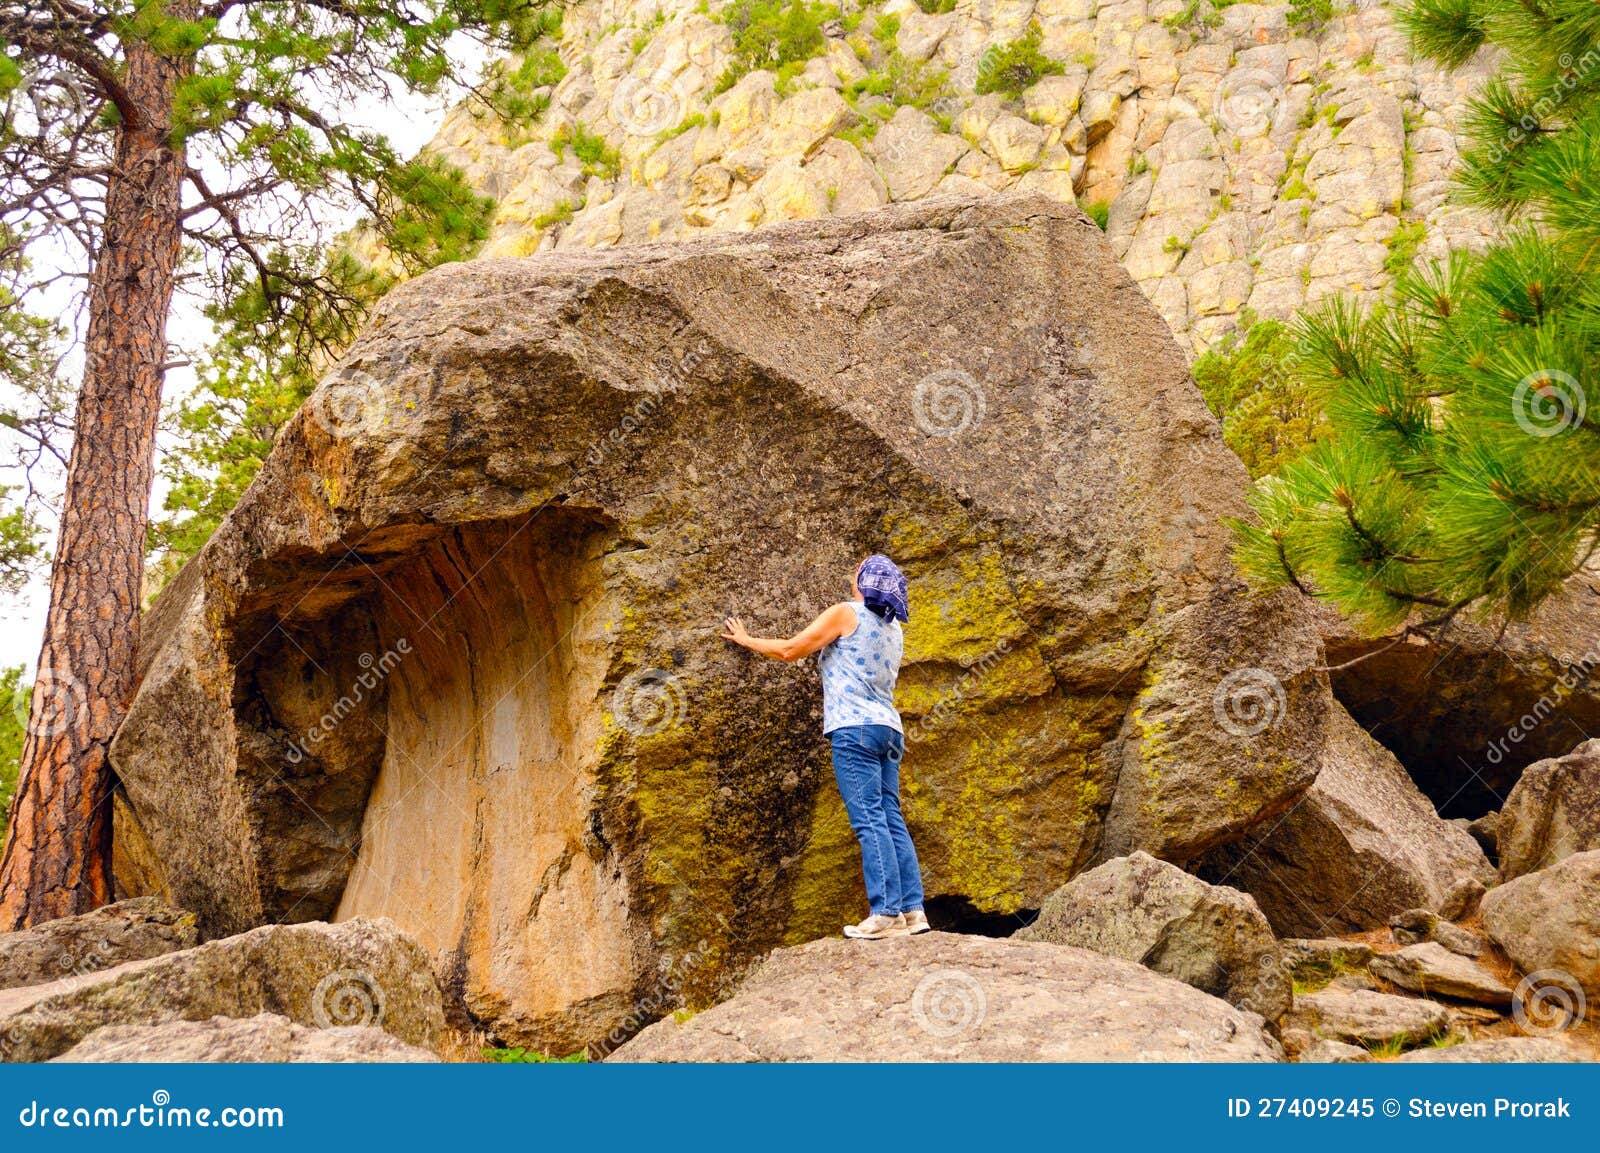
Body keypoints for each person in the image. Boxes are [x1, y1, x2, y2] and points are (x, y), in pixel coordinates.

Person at [721, 554, 927, 940]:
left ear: (861, 583)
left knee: (869, 819)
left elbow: (790, 650)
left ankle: (885, 913)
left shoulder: (846, 613)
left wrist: (747, 640)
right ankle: (913, 912)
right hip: (889, 730)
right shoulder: (894, 627)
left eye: (857, 571)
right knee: (890, 817)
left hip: (854, 729)